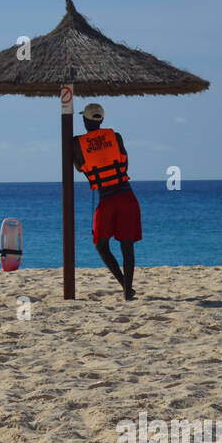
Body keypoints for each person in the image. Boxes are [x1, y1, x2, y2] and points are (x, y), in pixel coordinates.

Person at [71, 103, 142, 300]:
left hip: (107, 198)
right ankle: (128, 290)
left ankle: (124, 285)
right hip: (127, 196)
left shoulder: (76, 143)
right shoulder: (115, 136)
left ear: (85, 120)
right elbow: (124, 163)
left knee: (101, 245)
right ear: (101, 120)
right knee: (127, 245)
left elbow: (79, 167)